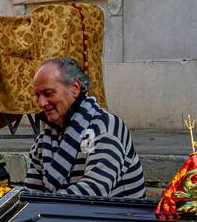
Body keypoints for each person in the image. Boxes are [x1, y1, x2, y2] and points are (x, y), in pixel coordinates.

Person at [25, 56, 145, 199]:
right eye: (37, 96)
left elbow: (93, 190)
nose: (41, 103)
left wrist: (43, 204)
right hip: (66, 215)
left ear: (75, 88)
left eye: (48, 93)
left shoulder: (103, 128)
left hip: (117, 218)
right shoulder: (44, 140)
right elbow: (31, 194)